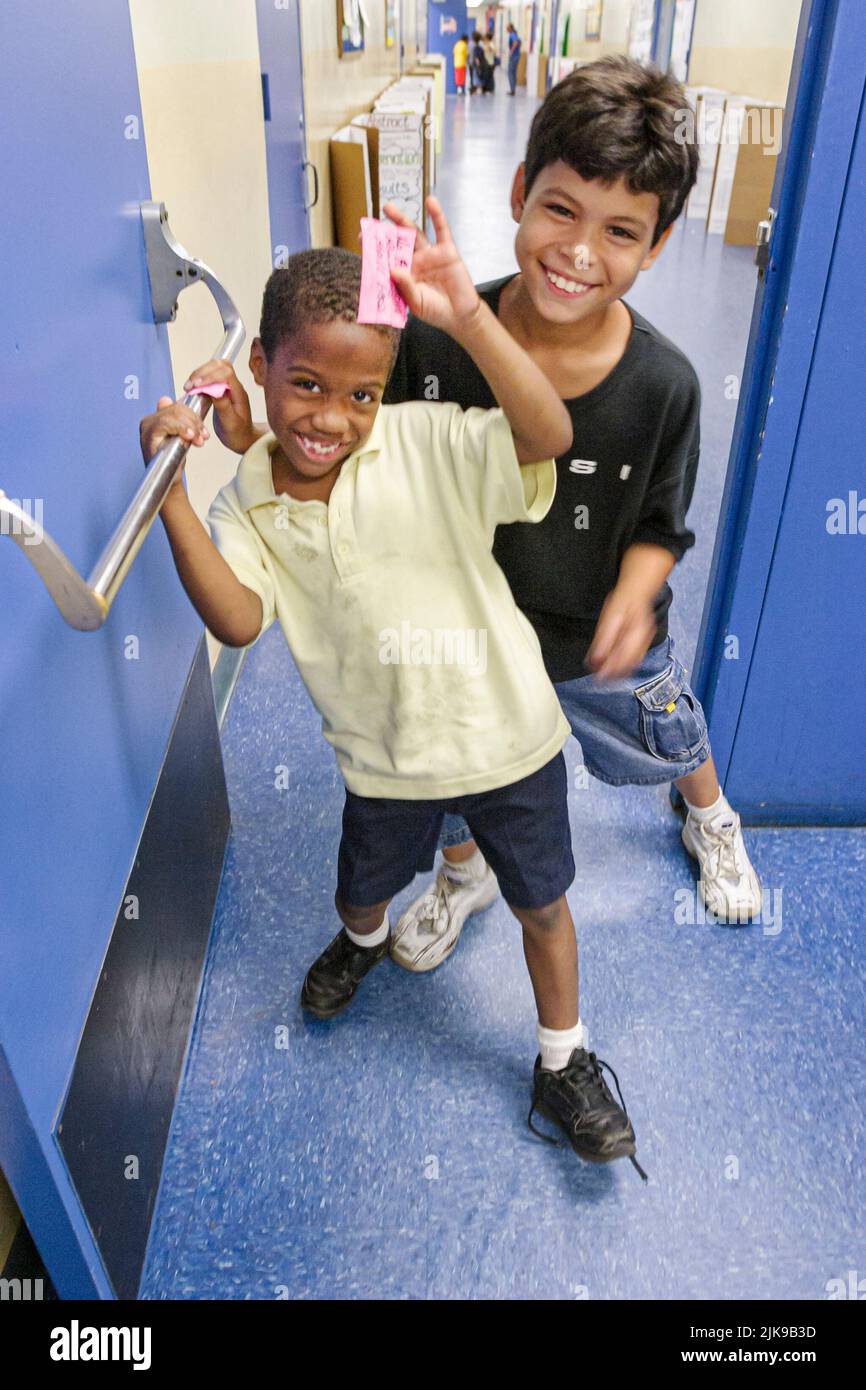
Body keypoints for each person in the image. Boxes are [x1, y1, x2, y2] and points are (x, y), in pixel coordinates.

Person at [138, 198, 646, 1177]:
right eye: (305, 385)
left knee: (543, 905)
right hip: (382, 757)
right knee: (362, 889)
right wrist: (170, 502)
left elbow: (542, 433)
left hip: (505, 736)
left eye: (360, 394)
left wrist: (466, 315)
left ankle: (561, 1056)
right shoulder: (247, 499)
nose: (333, 417)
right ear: (259, 370)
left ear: (385, 392)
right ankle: (360, 942)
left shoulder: (422, 442)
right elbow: (238, 619)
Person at [373, 56, 763, 970]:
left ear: (657, 245)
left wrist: (639, 591)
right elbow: (368, 445)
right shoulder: (435, 333)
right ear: (518, 192)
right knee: (462, 763)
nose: (582, 251)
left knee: (669, 729)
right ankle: (463, 874)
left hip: (599, 633)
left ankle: (709, 815)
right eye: (560, 209)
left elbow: (665, 524)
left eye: (621, 231)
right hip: (474, 626)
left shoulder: (663, 384)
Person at [471, 31, 489, 95]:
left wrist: (478, 66)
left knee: (476, 77)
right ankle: (481, 88)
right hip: (482, 64)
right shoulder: (481, 48)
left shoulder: (475, 48)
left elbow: (476, 58)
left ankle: (477, 89)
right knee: (480, 76)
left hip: (478, 65)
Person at [506, 22, 521, 96]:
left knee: (510, 73)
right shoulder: (515, 34)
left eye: (507, 28)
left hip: (514, 56)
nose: (506, 29)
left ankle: (512, 90)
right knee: (513, 72)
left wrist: (511, 51)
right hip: (517, 56)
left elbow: (515, 43)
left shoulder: (512, 35)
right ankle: (513, 89)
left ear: (510, 28)